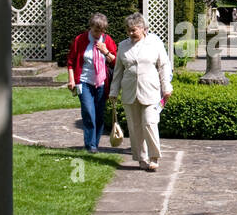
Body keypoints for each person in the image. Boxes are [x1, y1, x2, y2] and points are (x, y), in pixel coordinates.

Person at [109, 12, 172, 171]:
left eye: (134, 30)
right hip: (130, 91)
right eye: (128, 30)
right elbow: (118, 71)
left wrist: (166, 86)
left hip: (151, 89)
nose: (130, 33)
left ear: (144, 29)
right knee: (135, 127)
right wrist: (114, 91)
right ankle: (141, 158)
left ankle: (154, 156)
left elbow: (163, 65)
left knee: (150, 122)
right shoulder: (123, 45)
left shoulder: (154, 42)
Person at [65, 13, 117, 153]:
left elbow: (116, 63)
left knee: (99, 114)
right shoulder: (80, 40)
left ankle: (95, 143)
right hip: (84, 81)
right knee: (88, 111)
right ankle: (90, 145)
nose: (97, 34)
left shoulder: (108, 40)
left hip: (102, 83)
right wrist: (71, 80)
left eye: (100, 31)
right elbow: (71, 62)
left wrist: (106, 51)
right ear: (90, 27)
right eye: (95, 31)